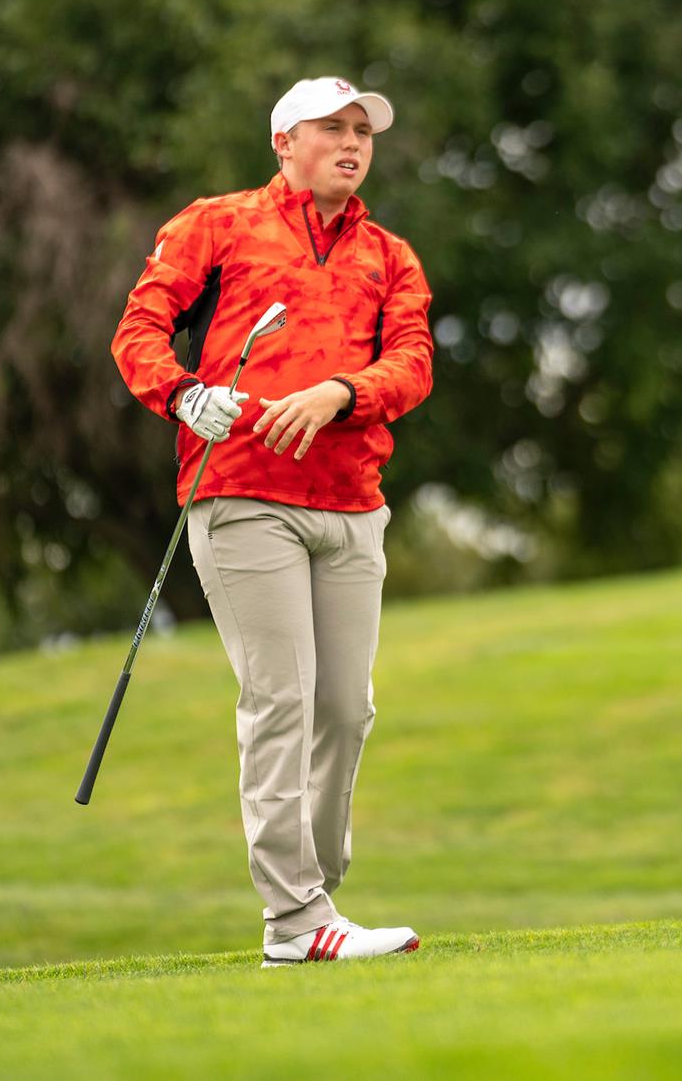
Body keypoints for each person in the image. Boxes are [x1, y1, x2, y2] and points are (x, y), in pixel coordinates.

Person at [111, 76, 433, 964]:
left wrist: (341, 392)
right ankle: (295, 922)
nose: (353, 141)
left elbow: (412, 363)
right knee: (281, 700)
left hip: (351, 505)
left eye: (363, 129)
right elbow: (139, 329)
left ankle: (316, 888)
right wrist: (183, 395)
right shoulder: (215, 224)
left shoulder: (391, 255)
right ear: (284, 140)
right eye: (333, 126)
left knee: (345, 709)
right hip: (244, 492)